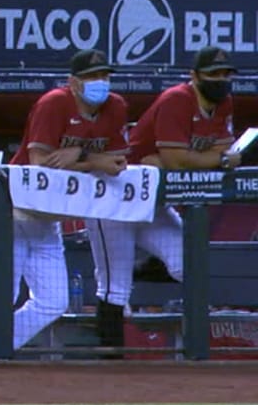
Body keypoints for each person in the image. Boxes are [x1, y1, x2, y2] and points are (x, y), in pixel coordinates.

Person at [0, 49, 129, 358]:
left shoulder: (115, 106)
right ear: (73, 82)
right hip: (14, 210)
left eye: (104, 76)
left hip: (50, 218)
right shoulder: (54, 103)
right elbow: (40, 163)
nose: (100, 82)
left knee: (53, 301)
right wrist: (94, 160)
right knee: (3, 293)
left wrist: (80, 155)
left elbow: (117, 163)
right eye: (92, 77)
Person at [88, 47, 240, 355]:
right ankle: (108, 364)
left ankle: (139, 267)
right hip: (118, 195)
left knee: (189, 262)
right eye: (213, 74)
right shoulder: (177, 99)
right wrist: (213, 159)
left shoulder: (224, 103)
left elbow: (223, 154)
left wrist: (205, 159)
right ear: (194, 76)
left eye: (226, 74)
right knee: (115, 287)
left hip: (153, 201)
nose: (221, 80)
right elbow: (175, 159)